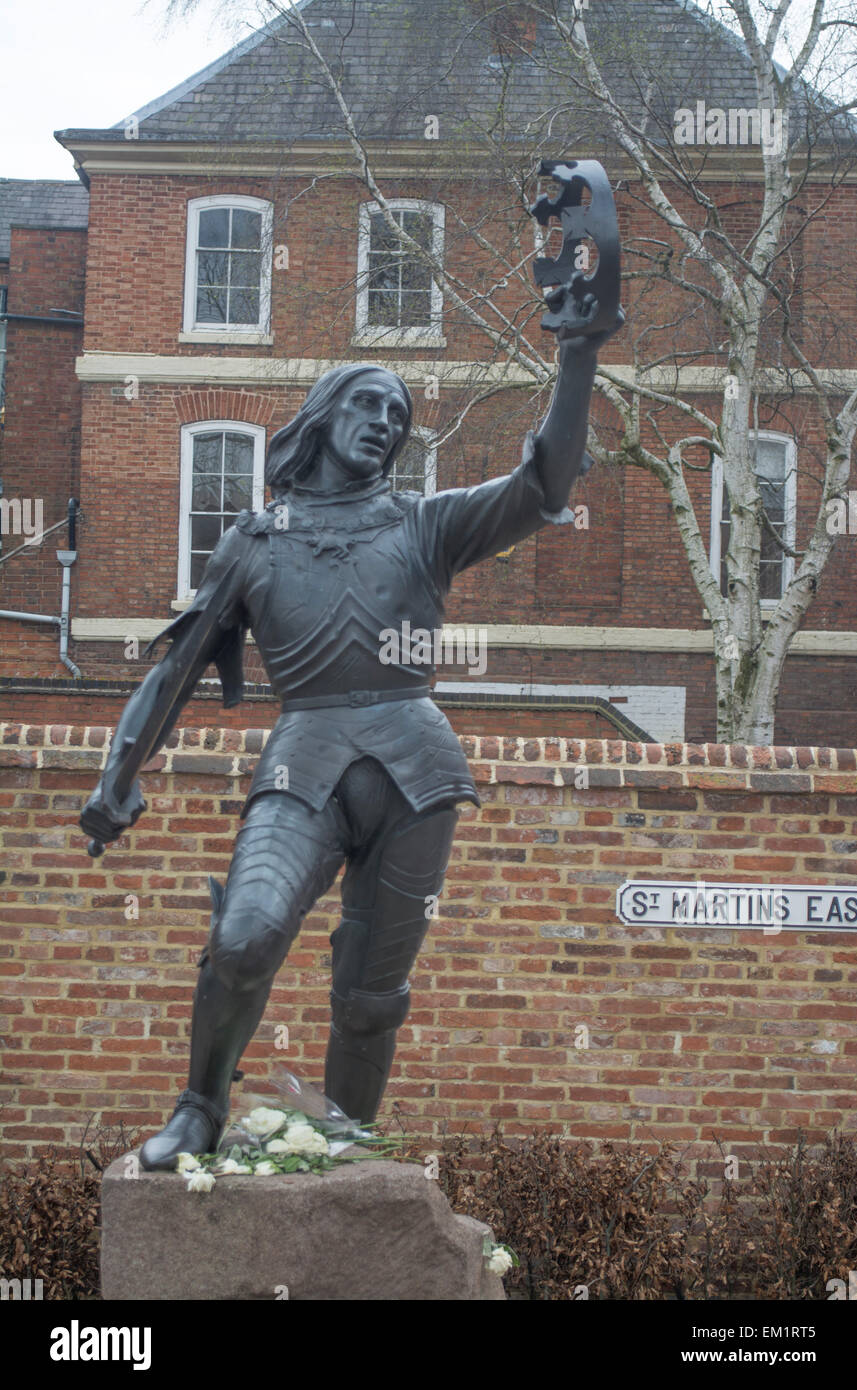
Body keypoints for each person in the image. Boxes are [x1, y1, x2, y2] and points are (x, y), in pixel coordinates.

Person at [80, 295, 623, 1170]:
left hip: (416, 769)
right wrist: (120, 773)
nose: (384, 423)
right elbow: (172, 670)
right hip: (305, 763)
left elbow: (544, 485)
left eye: (398, 416)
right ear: (325, 414)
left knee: (372, 996)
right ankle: (199, 1107)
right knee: (245, 935)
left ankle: (343, 1145)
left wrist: (579, 352)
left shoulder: (424, 524)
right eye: (367, 404)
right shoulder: (255, 542)